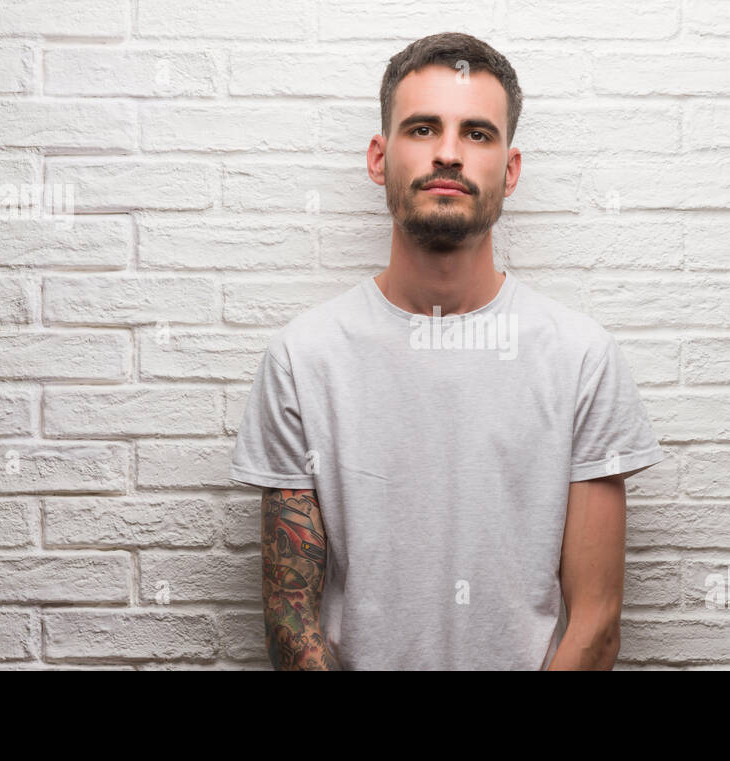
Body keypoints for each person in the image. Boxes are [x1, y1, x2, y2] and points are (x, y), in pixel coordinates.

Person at [229, 31, 665, 670]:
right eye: (423, 129)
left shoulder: (581, 360)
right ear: (380, 159)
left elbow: (595, 625)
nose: (450, 155)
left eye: (478, 134)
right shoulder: (304, 360)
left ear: (509, 171)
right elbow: (292, 623)